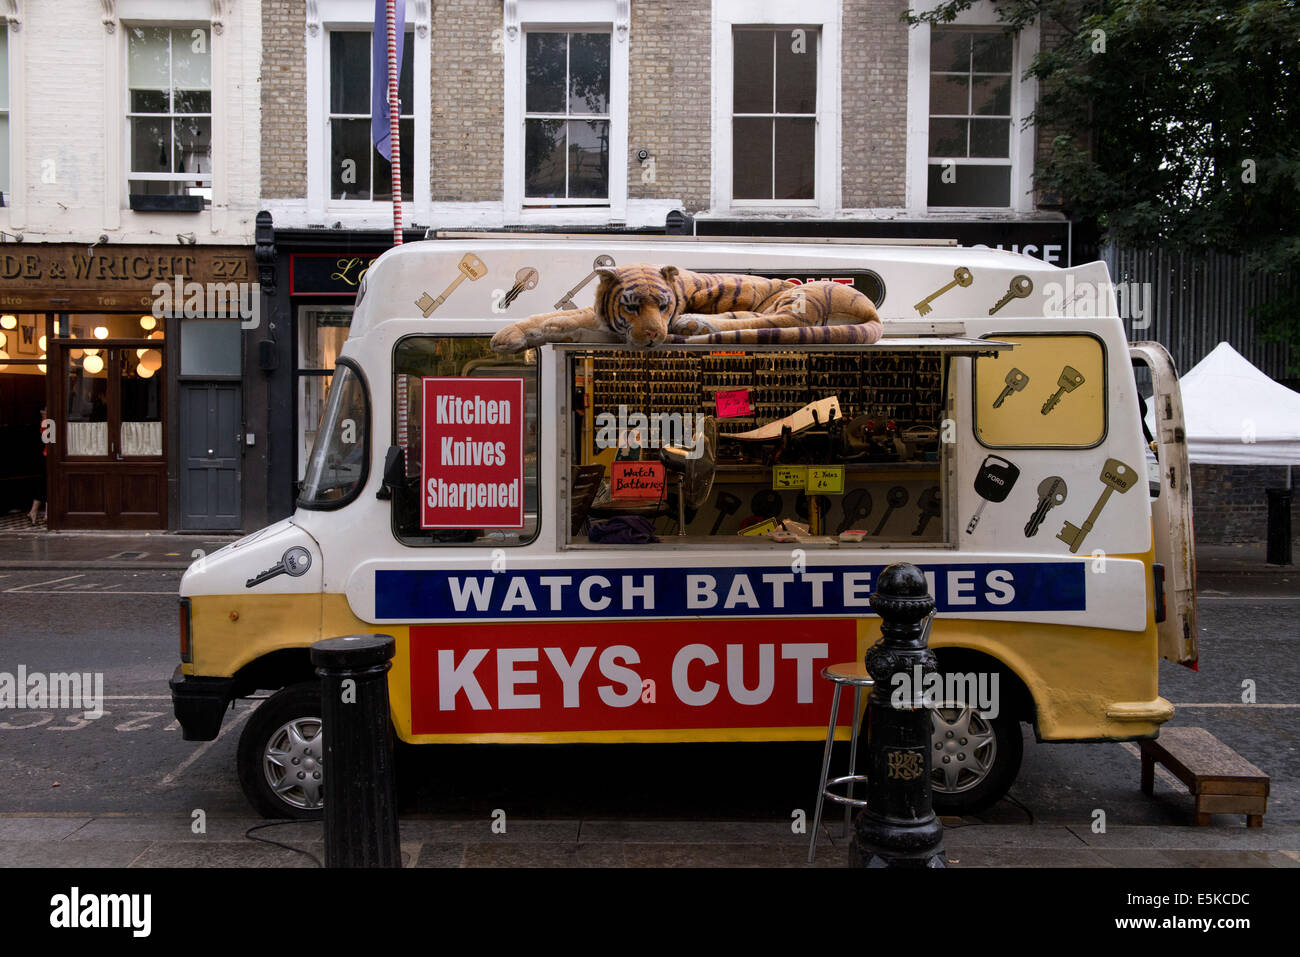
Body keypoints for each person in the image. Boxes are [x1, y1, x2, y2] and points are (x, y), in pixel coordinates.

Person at [29, 407, 46, 525]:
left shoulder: (47, 423)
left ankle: (43, 513)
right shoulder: (44, 424)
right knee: (45, 483)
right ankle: (34, 511)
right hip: (44, 457)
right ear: (41, 411)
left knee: (47, 484)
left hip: (46, 457)